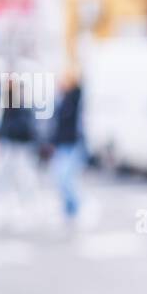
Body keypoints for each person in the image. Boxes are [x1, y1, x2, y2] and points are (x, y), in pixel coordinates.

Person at [0, 74, 41, 230]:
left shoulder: (22, 107)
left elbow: (25, 128)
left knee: (24, 180)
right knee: (2, 177)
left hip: (21, 149)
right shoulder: (10, 107)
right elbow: (4, 125)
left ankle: (28, 210)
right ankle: (8, 209)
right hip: (10, 147)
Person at [47, 69, 86, 230]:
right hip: (62, 145)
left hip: (72, 145)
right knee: (61, 179)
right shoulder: (62, 99)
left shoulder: (74, 98)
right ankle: (69, 211)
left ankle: (77, 208)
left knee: (66, 179)